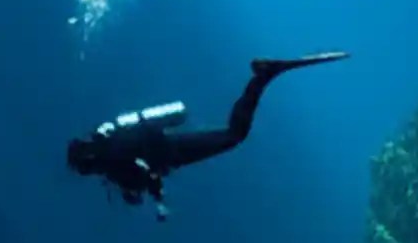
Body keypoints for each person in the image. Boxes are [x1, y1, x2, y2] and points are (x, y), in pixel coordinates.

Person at [67, 52, 349, 221]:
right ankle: (262, 77)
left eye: (83, 168)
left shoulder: (112, 160)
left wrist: (157, 200)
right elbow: (141, 170)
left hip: (173, 151)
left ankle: (263, 77)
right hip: (169, 145)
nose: (86, 172)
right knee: (231, 136)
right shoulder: (107, 142)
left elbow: (144, 174)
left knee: (233, 136)